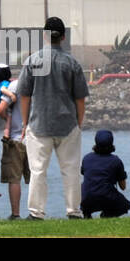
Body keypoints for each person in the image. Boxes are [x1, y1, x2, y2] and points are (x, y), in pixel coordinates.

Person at [18, 16, 89, 220]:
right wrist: (78, 123)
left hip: (39, 124)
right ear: (64, 37)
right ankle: (74, 211)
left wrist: (24, 124)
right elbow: (80, 99)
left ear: (45, 35)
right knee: (71, 170)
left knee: (38, 171)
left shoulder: (33, 60)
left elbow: (24, 95)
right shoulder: (72, 63)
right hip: (67, 125)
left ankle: (36, 212)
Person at [0, 63, 28, 219]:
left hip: (15, 138)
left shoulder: (14, 85)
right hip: (35, 137)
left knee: (14, 178)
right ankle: (37, 211)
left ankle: (15, 214)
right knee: (36, 176)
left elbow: (0, 109)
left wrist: (8, 118)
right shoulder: (38, 85)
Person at [81, 130, 130, 218]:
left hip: (87, 200)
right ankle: (107, 215)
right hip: (107, 198)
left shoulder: (86, 158)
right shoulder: (116, 161)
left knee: (87, 191)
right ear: (111, 143)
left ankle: (86, 213)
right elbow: (123, 187)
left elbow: (85, 175)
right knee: (125, 205)